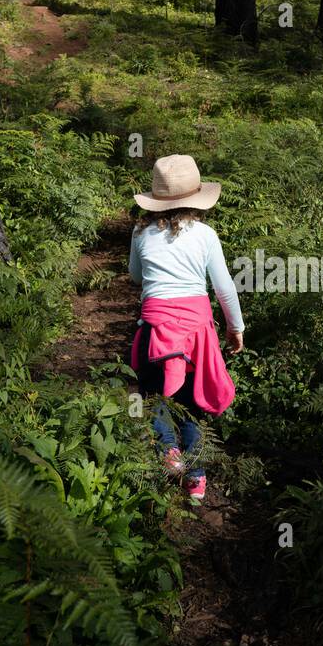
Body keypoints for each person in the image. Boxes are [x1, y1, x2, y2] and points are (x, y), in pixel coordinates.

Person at [128, 155, 244, 504]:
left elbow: (136, 276)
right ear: (197, 198)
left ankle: (168, 452)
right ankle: (195, 479)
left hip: (154, 329)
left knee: (154, 397)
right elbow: (224, 288)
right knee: (194, 404)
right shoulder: (206, 235)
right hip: (196, 335)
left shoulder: (140, 232)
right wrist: (235, 327)